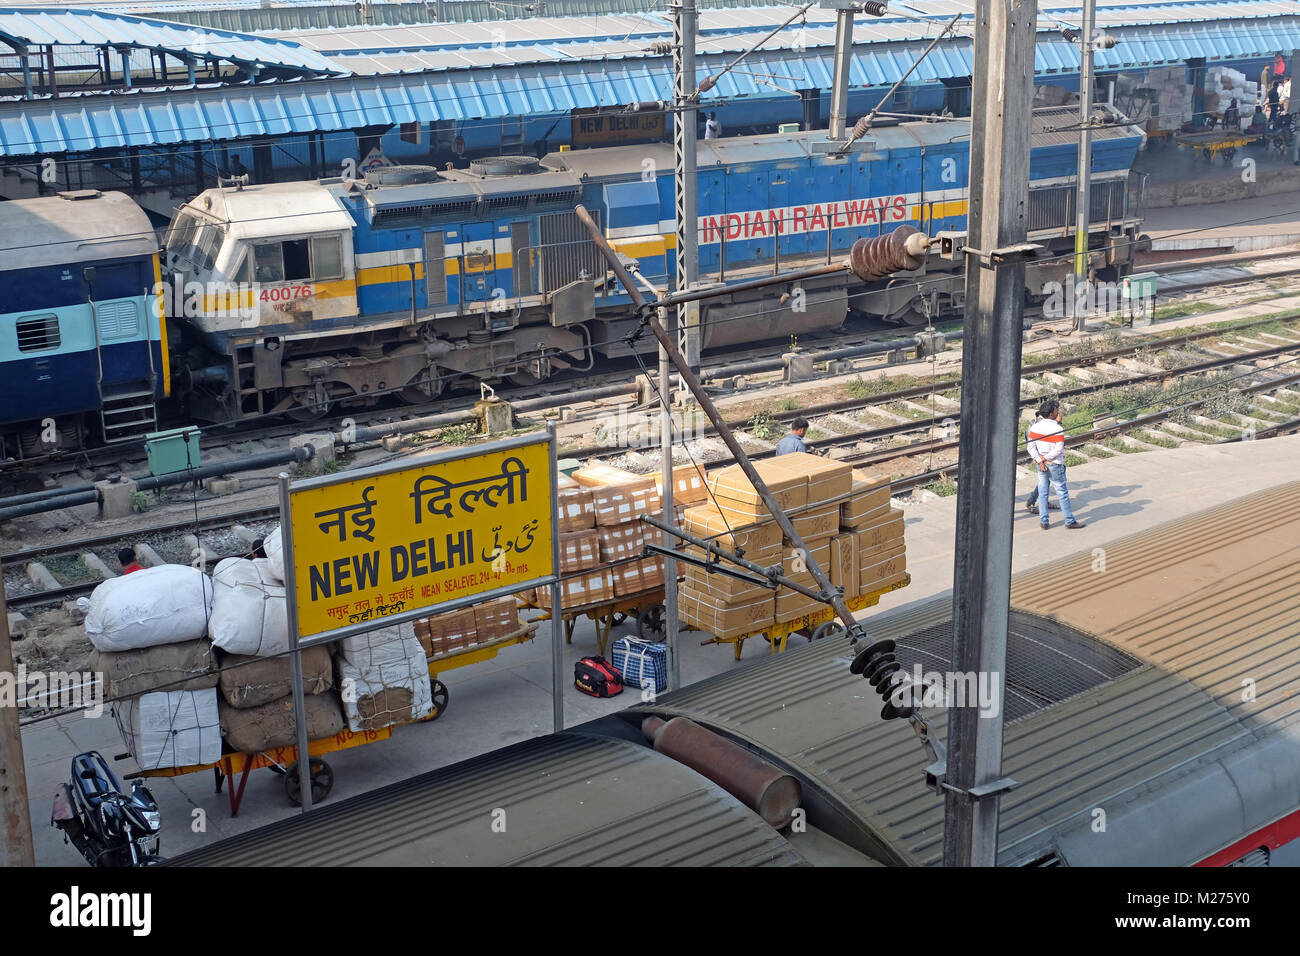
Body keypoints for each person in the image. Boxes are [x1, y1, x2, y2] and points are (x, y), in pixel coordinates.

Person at [1026, 400, 1085, 530]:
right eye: (1056, 410)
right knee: (1062, 493)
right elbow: (1058, 450)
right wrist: (1046, 459)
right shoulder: (1057, 428)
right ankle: (1069, 521)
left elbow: (1030, 447)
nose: (1058, 412)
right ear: (1052, 413)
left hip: (1041, 465)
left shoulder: (1035, 427)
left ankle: (1044, 521)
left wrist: (1040, 460)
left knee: (1043, 492)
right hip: (1055, 464)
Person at [1023, 410, 1060, 514]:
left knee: (1046, 479)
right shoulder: (1041, 425)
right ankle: (1032, 501)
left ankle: (1040, 501)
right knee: (1045, 479)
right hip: (1043, 457)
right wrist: (1040, 460)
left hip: (1043, 456)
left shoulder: (1035, 423)